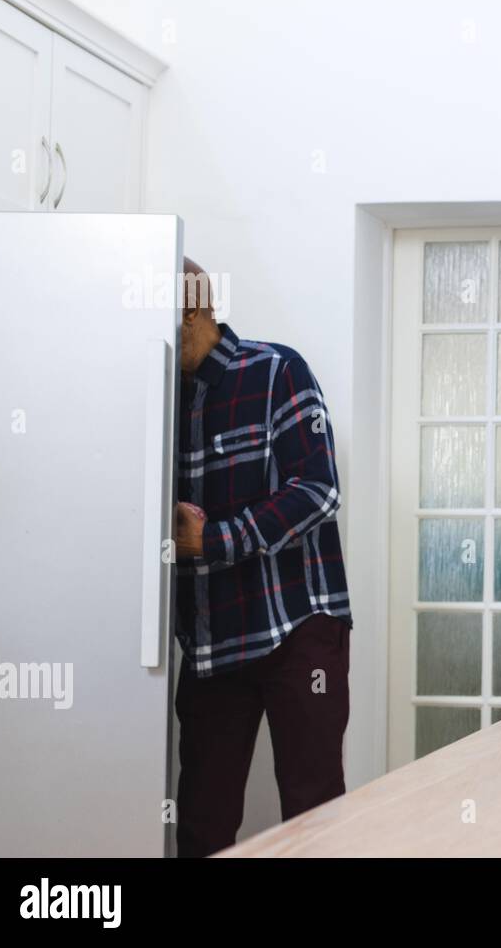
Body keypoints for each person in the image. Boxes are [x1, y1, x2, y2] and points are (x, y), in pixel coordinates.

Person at [172, 257, 352, 856]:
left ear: (194, 312)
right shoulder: (156, 397)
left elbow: (317, 489)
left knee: (313, 810)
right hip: (211, 640)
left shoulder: (277, 370)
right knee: (200, 821)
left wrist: (214, 539)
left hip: (295, 631)